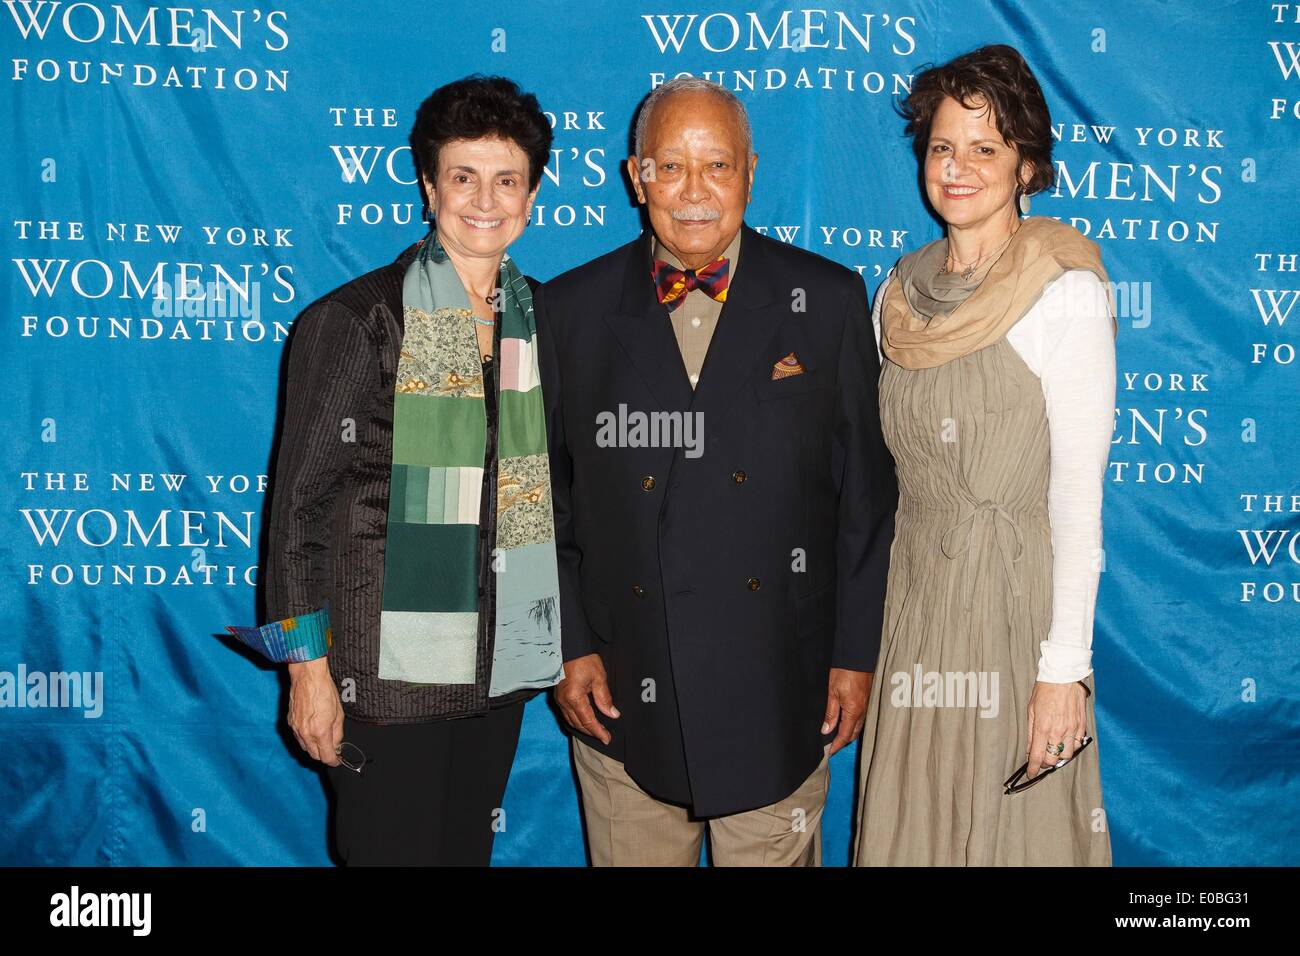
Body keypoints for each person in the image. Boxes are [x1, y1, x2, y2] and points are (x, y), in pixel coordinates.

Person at [536, 77, 898, 866]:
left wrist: (854, 653)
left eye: (718, 166)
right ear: (638, 178)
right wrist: (566, 645)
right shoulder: (568, 311)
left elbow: (864, 501)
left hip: (780, 686)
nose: (694, 192)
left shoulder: (827, 299)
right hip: (624, 693)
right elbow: (542, 501)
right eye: (671, 166)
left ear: (751, 171)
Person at [262, 75, 559, 865]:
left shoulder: (541, 323)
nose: (486, 201)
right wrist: (308, 677)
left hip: (496, 674)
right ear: (429, 187)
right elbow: (297, 515)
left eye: (507, 180)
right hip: (380, 680)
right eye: (463, 177)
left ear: (532, 194)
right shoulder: (357, 320)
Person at [852, 44, 1115, 865]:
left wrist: (1063, 671)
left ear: (1026, 164)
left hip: (1013, 616)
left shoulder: (1064, 287)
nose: (957, 168)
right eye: (942, 146)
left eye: (985, 147)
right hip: (916, 607)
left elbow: (1077, 500)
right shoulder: (896, 294)